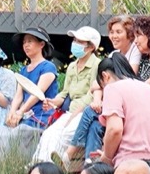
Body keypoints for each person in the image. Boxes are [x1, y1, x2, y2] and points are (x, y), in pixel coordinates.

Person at [93, 54, 150, 174]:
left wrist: (106, 157)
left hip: (131, 165)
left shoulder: (113, 88)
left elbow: (115, 129)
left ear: (105, 77)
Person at [32, 26, 103, 163]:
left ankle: (55, 168)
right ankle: (39, 165)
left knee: (64, 135)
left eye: (80, 41)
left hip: (85, 113)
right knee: (48, 134)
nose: (75, 43)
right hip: (70, 112)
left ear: (90, 47)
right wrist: (52, 102)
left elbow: (91, 95)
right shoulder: (71, 66)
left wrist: (75, 114)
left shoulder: (97, 65)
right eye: (75, 40)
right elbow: (65, 94)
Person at [8, 26, 62, 144]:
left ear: (41, 44)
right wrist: (12, 112)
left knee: (17, 135)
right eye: (24, 42)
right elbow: (18, 95)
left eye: (30, 41)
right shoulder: (23, 70)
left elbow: (37, 93)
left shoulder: (48, 67)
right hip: (26, 116)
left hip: (42, 116)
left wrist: (21, 111)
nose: (26, 45)